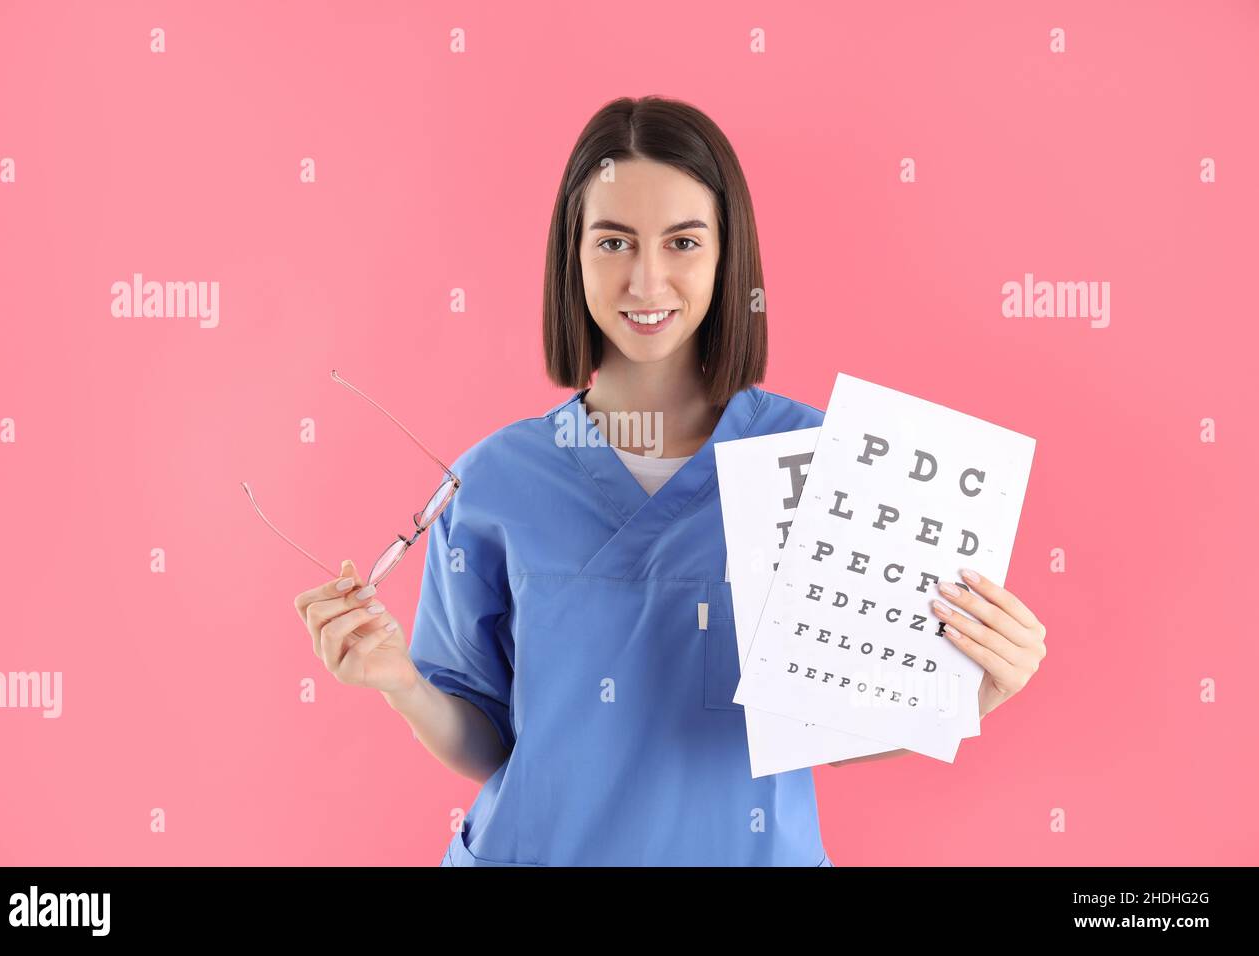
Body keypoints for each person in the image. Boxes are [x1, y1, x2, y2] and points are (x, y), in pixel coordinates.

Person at [293, 95, 1049, 866]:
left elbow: (831, 732)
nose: (647, 281)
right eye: (614, 242)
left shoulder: (829, 466)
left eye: (683, 242)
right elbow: (490, 743)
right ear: (572, 255)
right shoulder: (491, 482)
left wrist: (966, 697)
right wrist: (401, 684)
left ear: (728, 256)